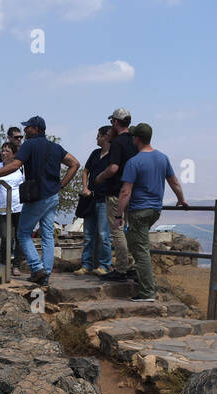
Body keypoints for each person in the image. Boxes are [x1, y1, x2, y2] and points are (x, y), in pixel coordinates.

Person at [0, 115, 79, 288]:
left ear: (36, 129)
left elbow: (15, 165)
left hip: (37, 196)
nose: (24, 130)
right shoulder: (55, 147)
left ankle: (37, 268)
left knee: (23, 233)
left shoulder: (29, 145)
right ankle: (45, 275)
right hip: (52, 196)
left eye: (28, 127)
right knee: (47, 235)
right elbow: (75, 164)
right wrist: (61, 185)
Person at [115, 122, 189, 303]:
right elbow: (174, 182)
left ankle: (147, 292)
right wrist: (181, 199)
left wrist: (118, 214)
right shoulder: (163, 158)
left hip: (139, 211)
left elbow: (125, 192)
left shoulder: (134, 162)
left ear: (137, 139)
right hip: (155, 210)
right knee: (140, 247)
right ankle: (142, 281)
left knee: (141, 251)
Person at [94, 107, 139, 282]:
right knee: (131, 231)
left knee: (117, 231)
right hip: (133, 192)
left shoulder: (117, 143)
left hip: (116, 192)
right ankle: (133, 267)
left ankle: (121, 269)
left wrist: (100, 176)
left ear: (115, 122)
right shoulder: (135, 141)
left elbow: (113, 168)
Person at [76, 125, 114, 276]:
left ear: (105, 137)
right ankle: (86, 264)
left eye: (98, 136)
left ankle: (104, 265)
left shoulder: (114, 155)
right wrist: (85, 188)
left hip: (105, 199)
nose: (96, 138)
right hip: (91, 199)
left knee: (104, 235)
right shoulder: (95, 153)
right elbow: (85, 171)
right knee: (88, 235)